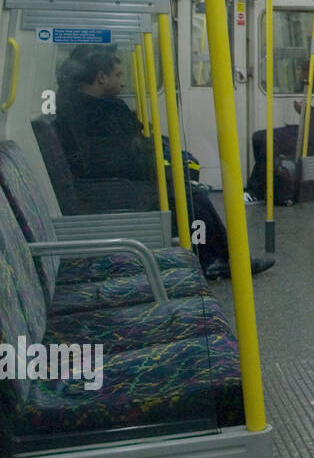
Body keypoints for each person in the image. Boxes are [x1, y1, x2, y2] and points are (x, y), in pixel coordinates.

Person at [54, 45, 275, 281]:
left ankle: (224, 256)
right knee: (192, 198)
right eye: (118, 75)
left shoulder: (85, 106)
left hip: (112, 181)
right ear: (101, 77)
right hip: (114, 188)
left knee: (189, 187)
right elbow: (117, 156)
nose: (123, 82)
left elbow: (124, 147)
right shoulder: (98, 112)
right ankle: (211, 260)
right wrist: (160, 163)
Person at [244, 62, 314, 202]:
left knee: (266, 140)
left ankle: (255, 191)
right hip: (313, 133)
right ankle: (262, 187)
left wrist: (305, 111)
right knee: (259, 137)